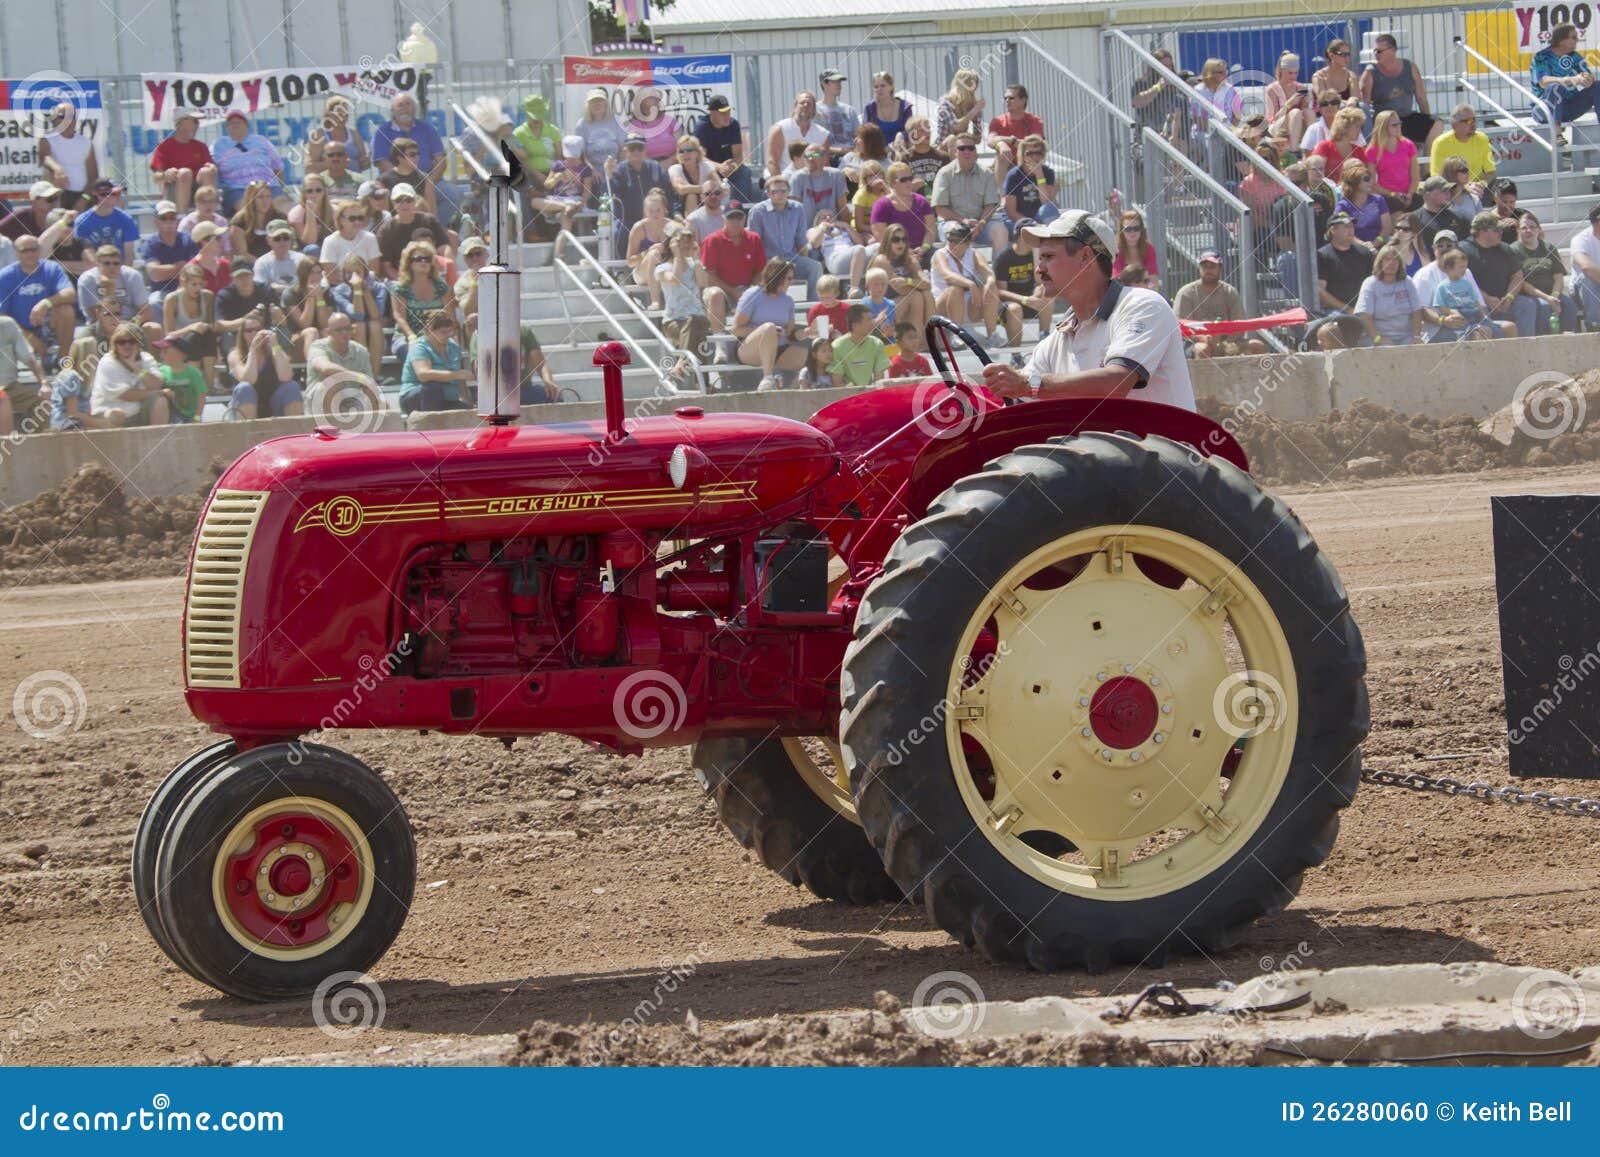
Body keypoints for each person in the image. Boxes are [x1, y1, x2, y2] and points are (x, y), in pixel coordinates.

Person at [981, 212, 1193, 407]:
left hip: (1162, 447)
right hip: (1109, 447)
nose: (1039, 268)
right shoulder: (1058, 339)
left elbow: (1116, 384)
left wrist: (1028, 384)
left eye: (1048, 257)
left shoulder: (1143, 305)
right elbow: (1018, 392)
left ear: (1085, 257)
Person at [372, 94, 460, 226]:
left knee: (454, 193)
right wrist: (403, 178)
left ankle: (437, 228)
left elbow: (441, 160)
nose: (404, 108)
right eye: (400, 105)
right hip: (394, 182)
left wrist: (425, 182)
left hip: (427, 179)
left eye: (408, 104)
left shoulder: (428, 128)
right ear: (392, 110)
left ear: (415, 108)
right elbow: (382, 162)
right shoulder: (382, 131)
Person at [1173, 249, 1266, 357]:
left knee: (1257, 346)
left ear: (1220, 268)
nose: (1208, 270)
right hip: (1195, 343)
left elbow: (1240, 324)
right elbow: (1179, 326)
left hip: (1227, 342)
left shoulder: (1229, 291)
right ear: (1199, 269)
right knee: (1203, 349)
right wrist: (1202, 338)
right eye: (1205, 267)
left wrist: (1224, 342)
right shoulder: (1186, 293)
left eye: (1212, 266)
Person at [733, 258, 808, 391]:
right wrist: (767, 331)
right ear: (776, 276)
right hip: (749, 349)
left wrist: (807, 333)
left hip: (778, 349)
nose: (791, 282)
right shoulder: (753, 294)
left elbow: (790, 334)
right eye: (788, 278)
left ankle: (791, 391)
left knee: (807, 356)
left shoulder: (788, 300)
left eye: (791, 278)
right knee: (769, 328)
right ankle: (768, 380)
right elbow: (736, 330)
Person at [930, 222, 1009, 347]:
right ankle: (956, 335)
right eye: (950, 240)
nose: (951, 244)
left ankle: (992, 335)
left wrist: (989, 282)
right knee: (956, 289)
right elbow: (947, 275)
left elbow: (988, 273)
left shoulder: (974, 254)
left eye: (956, 241)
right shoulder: (940, 254)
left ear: (967, 244)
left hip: (969, 305)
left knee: (991, 288)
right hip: (942, 306)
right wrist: (970, 283)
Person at [0, 234, 76, 359]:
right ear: (16, 253)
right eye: (25, 251)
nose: (30, 254)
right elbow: (2, 316)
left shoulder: (52, 268)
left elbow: (70, 294)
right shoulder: (5, 276)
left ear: (39, 250)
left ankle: (64, 360)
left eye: (33, 249)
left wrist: (45, 303)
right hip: (20, 330)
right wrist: (30, 338)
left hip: (47, 326)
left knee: (66, 310)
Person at [1459, 209, 1532, 337]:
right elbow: (1460, 281)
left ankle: (1526, 348)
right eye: (1497, 230)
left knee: (1527, 305)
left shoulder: (1504, 248)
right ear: (1483, 231)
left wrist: (1509, 297)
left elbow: (1518, 275)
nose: (1501, 233)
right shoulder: (1463, 250)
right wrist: (1486, 298)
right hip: (1478, 304)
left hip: (1504, 301)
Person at [748, 174, 823, 299]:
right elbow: (754, 244)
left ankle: (811, 307)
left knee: (815, 267)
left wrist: (802, 260)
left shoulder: (798, 208)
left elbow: (801, 241)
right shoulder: (758, 211)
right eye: (775, 191)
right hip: (768, 262)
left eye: (783, 191)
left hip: (791, 260)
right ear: (768, 193)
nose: (780, 194)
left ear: (789, 192)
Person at [1360, 33, 1439, 151]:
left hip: (1407, 117)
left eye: (1379, 51)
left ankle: (1426, 167)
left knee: (1436, 124)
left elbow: (1421, 98)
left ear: (1392, 50)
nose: (1376, 54)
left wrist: (1425, 125)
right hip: (1385, 120)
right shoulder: (1370, 73)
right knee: (1393, 126)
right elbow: (1364, 105)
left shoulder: (1410, 67)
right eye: (1375, 51)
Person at [1311, 212, 1375, 349]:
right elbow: (1320, 291)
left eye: (1352, 226)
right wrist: (1348, 309)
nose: (1351, 230)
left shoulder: (1365, 253)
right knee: (1338, 324)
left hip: (1364, 309)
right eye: (1346, 226)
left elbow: (1373, 285)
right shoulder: (1322, 255)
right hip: (1335, 311)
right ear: (1333, 230)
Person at [86, 322, 169, 427]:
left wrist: (138, 369)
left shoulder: (146, 358)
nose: (127, 345)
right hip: (111, 413)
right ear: (115, 344)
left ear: (138, 343)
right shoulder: (107, 362)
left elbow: (156, 385)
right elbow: (125, 395)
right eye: (121, 342)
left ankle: (157, 441)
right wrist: (156, 392)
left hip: (138, 412)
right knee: (117, 415)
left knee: (160, 401)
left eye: (132, 341)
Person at [657, 229, 710, 388]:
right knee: (698, 327)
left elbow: (702, 283)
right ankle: (703, 385)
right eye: (681, 243)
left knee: (698, 324)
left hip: (695, 320)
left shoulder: (695, 265)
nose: (685, 246)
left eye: (688, 242)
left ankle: (682, 364)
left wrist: (696, 258)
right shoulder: (662, 268)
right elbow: (674, 279)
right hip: (673, 322)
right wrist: (678, 255)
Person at [1510, 212, 1577, 335]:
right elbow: (1521, 282)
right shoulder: (1514, 250)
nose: (1528, 230)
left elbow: (1558, 277)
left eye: (1532, 227)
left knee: (1570, 305)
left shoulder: (1549, 247)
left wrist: (1554, 296)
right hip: (1528, 295)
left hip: (1552, 293)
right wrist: (1547, 298)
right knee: (1545, 307)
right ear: (1519, 231)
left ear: (1538, 229)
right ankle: (1545, 343)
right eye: (1524, 228)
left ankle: (1567, 341)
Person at [700, 206, 766, 329]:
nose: (735, 221)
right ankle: (720, 343)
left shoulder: (754, 239)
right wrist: (733, 291)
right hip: (722, 290)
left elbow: (761, 271)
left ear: (744, 218)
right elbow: (708, 276)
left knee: (765, 292)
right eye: (731, 217)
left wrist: (749, 292)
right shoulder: (712, 240)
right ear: (723, 218)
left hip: (747, 289)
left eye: (739, 217)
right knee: (715, 295)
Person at [931, 135, 1003, 248]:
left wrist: (982, 223)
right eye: (962, 148)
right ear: (955, 152)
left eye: (970, 148)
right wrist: (964, 221)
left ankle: (998, 266)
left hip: (980, 225)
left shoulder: (987, 174)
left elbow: (991, 205)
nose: (967, 151)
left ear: (975, 152)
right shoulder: (944, 174)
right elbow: (940, 209)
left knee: (1001, 231)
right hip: (951, 223)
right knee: (958, 231)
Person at [228, 309, 300, 419]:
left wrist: (275, 345)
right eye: (249, 330)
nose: (254, 333)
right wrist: (253, 350)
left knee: (292, 386)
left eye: (257, 330)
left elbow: (286, 377)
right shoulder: (235, 355)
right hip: (244, 404)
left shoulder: (274, 351)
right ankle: (247, 433)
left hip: (272, 402)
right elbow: (249, 379)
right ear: (242, 334)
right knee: (245, 388)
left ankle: (293, 432)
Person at [390, 240, 456, 359]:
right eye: (419, 258)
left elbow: (450, 316)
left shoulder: (441, 286)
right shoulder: (400, 288)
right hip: (407, 337)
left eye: (427, 258)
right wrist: (411, 337)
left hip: (438, 336)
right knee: (418, 354)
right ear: (409, 262)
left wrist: (447, 337)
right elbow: (399, 317)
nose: (424, 261)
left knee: (450, 352)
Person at [304, 311, 380, 415]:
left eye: (348, 328)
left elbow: (369, 382)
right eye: (339, 330)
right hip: (319, 405)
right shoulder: (318, 346)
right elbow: (325, 368)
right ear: (328, 332)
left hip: (350, 401)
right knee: (330, 384)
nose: (344, 332)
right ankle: (332, 429)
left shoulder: (360, 351)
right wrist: (357, 376)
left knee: (380, 400)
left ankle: (373, 430)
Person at [1413, 229, 1481, 341]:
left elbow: (1478, 302)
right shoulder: (1424, 275)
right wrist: (1443, 320)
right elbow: (1420, 309)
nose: (1444, 249)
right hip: (1435, 329)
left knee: (1505, 327)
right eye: (1440, 246)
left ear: (1457, 248)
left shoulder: (1466, 272)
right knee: (1476, 335)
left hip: (1468, 321)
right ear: (1434, 248)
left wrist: (1483, 320)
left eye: (1449, 245)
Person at [213, 111, 285, 213]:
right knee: (246, 208)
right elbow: (214, 167)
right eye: (231, 123)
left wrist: (279, 187)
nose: (235, 125)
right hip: (238, 189)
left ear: (247, 126)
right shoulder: (219, 144)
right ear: (227, 128)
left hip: (268, 186)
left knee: (284, 206)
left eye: (238, 122)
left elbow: (278, 167)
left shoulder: (261, 141)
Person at [1532, 22, 1600, 130]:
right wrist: (1568, 79)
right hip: (1545, 110)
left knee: (1597, 86)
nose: (1577, 40)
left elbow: (1588, 79)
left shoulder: (1575, 57)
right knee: (1556, 87)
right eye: (1573, 37)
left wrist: (1587, 79)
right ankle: (1557, 134)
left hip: (1569, 108)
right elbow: (1543, 82)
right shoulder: (1542, 57)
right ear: (1561, 40)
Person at [868, 222, 934, 333]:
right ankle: (920, 339)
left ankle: (930, 335)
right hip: (880, 309)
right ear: (888, 241)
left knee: (926, 294)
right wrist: (915, 284)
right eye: (896, 239)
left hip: (903, 303)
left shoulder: (910, 259)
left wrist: (907, 280)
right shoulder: (882, 260)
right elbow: (902, 290)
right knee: (917, 295)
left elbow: (927, 283)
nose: (901, 243)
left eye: (904, 239)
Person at [606, 134, 673, 242]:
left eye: (640, 148)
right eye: (632, 148)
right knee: (619, 233)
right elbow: (612, 198)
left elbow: (670, 195)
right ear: (625, 150)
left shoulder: (656, 168)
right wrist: (609, 176)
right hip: (629, 221)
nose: (636, 152)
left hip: (658, 218)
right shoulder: (619, 170)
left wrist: (677, 214)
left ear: (645, 149)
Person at [161, 262, 218, 386]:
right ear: (184, 283)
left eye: (200, 284)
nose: (198, 288)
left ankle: (210, 384)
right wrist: (191, 328)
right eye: (193, 284)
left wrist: (205, 327)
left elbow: (211, 324)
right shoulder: (172, 299)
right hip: (179, 341)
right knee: (194, 335)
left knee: (208, 334)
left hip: (204, 341)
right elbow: (168, 334)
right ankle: (196, 384)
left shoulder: (208, 297)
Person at [1354, 244, 1423, 346]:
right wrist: (1378, 338)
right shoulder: (1370, 283)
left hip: (1406, 336)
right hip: (1377, 337)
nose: (1391, 263)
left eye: (1395, 260)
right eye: (1387, 259)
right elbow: (1364, 315)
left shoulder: (1407, 281)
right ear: (1380, 262)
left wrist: (1416, 337)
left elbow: (1417, 310)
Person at [149, 112, 217, 215]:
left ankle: (209, 212)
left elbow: (210, 167)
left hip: (197, 189)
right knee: (185, 173)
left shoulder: (201, 146)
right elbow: (156, 177)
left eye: (196, 122)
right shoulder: (165, 146)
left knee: (207, 172)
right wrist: (166, 175)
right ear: (180, 124)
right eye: (192, 120)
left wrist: (213, 168)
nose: (196, 124)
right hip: (175, 189)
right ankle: (182, 215)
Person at [375, 184, 449, 279]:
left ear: (414, 202)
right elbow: (387, 267)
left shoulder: (429, 221)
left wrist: (448, 265)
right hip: (400, 279)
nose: (404, 204)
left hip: (432, 275)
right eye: (399, 201)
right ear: (393, 203)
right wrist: (406, 284)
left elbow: (444, 247)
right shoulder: (386, 230)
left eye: (408, 200)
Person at [329, 253, 389, 368]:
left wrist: (365, 290)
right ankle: (362, 374)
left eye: (357, 272)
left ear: (365, 272)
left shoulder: (379, 288)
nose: (352, 276)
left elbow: (376, 316)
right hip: (350, 334)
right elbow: (358, 316)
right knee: (360, 325)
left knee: (375, 325)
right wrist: (357, 289)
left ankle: (373, 376)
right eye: (348, 273)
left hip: (375, 336)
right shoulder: (338, 291)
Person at [78, 245, 153, 336]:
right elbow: (95, 316)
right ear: (98, 264)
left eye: (116, 263)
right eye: (107, 263)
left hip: (129, 323)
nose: (112, 267)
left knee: (153, 327)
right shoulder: (87, 280)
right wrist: (109, 291)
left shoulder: (132, 276)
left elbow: (146, 312)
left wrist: (130, 324)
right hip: (99, 326)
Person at [693, 95, 755, 205]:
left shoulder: (734, 124)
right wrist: (719, 167)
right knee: (700, 173)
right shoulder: (702, 127)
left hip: (730, 168)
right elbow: (700, 156)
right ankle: (705, 209)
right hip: (710, 168)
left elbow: (738, 155)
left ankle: (741, 209)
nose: (727, 115)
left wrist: (732, 167)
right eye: (722, 113)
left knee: (744, 172)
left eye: (728, 111)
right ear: (712, 113)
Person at [38, 103, 99, 209]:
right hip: (59, 196)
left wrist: (84, 199)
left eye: (70, 116)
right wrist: (57, 169)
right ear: (54, 120)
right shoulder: (46, 139)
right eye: (61, 116)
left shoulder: (86, 143)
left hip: (82, 196)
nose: (66, 120)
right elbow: (45, 158)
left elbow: (93, 177)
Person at [140, 200, 198, 309]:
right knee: (154, 302)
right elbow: (155, 274)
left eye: (172, 217)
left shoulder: (188, 239)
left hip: (188, 290)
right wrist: (180, 266)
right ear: (156, 221)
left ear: (177, 220)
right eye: (164, 218)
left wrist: (167, 270)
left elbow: (194, 271)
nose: (169, 221)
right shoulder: (150, 244)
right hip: (162, 292)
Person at [1428, 249, 1497, 341]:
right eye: (1461, 267)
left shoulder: (1467, 283)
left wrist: (1485, 315)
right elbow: (1440, 306)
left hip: (1474, 314)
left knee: (1492, 329)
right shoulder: (1442, 287)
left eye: (1465, 266)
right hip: (1461, 316)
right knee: (1477, 333)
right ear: (1448, 268)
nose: (1464, 270)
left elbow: (1476, 302)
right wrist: (1452, 312)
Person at [0, 313, 50, 434]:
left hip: (10, 387)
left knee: (43, 404)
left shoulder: (7, 325)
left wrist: (44, 383)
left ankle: (38, 447)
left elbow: (28, 358)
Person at [872, 162, 938, 253]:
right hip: (893, 253)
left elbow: (931, 230)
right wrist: (905, 252)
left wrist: (924, 248)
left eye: (910, 179)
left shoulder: (922, 202)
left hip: (922, 252)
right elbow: (880, 235)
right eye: (903, 180)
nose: (909, 183)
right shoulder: (881, 205)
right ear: (892, 184)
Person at [625, 193, 675, 311]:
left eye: (658, 210)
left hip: (666, 269)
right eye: (651, 211)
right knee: (654, 254)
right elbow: (630, 262)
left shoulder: (673, 226)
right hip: (642, 273)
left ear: (665, 210)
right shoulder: (639, 228)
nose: (655, 214)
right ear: (645, 212)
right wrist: (648, 251)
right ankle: (655, 301)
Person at [1131, 47, 1186, 148]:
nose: (1167, 69)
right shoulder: (1141, 83)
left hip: (1173, 138)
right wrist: (1158, 87)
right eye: (1163, 66)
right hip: (1148, 138)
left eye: (1169, 66)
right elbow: (1137, 103)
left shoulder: (1176, 85)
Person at [1001, 135, 1058, 233]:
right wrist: (1032, 224)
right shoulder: (1014, 175)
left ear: (1043, 155)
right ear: (1023, 156)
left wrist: (1039, 175)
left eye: (1038, 153)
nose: (1034, 157)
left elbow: (1046, 202)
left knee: (1050, 209)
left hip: (1039, 217)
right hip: (1016, 219)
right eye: (1029, 153)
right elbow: (1011, 211)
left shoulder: (1048, 172)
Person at [48, 334, 107, 430]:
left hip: (76, 423)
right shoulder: (72, 376)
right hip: (65, 423)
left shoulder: (84, 377)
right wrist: (99, 424)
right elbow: (72, 413)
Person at [73, 180, 139, 263]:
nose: (119, 197)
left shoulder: (126, 219)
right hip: (96, 270)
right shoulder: (83, 221)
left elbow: (129, 255)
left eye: (119, 193)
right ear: (100, 195)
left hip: (120, 268)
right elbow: (87, 253)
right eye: (114, 194)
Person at [1366, 109, 1420, 211]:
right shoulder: (1372, 150)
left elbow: (1415, 177)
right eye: (1394, 124)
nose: (1399, 126)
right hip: (1386, 195)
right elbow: (1372, 183)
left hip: (1408, 194)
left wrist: (1410, 194)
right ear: (1383, 127)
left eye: (1399, 123)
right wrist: (1393, 194)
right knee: (1395, 206)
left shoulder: (1409, 145)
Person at [766, 92, 830, 178]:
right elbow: (772, 162)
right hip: (784, 179)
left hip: (812, 182)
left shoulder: (823, 134)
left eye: (809, 103)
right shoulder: (780, 129)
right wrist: (781, 184)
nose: (805, 105)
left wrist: (810, 155)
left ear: (814, 109)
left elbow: (824, 161)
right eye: (802, 102)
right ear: (795, 107)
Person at [1430, 105, 1496, 187]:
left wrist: (1481, 185)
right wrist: (1463, 188)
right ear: (1455, 124)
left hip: (1477, 190)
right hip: (1451, 191)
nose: (1473, 124)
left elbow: (1491, 171)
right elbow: (1437, 177)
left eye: (1474, 120)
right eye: (1468, 121)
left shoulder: (1482, 139)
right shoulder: (1440, 143)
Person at [809, 210, 869, 297]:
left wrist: (846, 226)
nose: (828, 218)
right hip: (835, 260)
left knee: (878, 247)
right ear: (817, 221)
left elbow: (860, 242)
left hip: (856, 257)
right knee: (858, 249)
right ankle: (854, 289)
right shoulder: (814, 230)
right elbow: (815, 244)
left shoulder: (844, 230)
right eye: (824, 217)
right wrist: (821, 228)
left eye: (831, 216)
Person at [987, 84, 1045, 172]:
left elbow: (1034, 145)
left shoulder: (1034, 121)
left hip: (1028, 165)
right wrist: (1001, 144)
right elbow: (990, 141)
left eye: (1011, 98)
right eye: (1005, 98)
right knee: (1001, 157)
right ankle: (1002, 186)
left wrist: (1011, 141)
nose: (1007, 101)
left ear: (1023, 100)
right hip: (1007, 166)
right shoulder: (997, 121)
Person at [308, 94, 371, 176]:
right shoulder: (319, 135)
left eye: (346, 115)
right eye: (339, 115)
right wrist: (336, 164)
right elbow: (309, 167)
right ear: (329, 115)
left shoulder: (354, 133)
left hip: (352, 184)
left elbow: (364, 166)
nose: (343, 118)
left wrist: (367, 160)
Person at [830, 302, 890, 387]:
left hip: (870, 395)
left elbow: (879, 379)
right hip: (847, 395)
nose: (872, 322)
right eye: (868, 320)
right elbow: (837, 382)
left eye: (872, 319)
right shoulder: (837, 346)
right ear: (855, 325)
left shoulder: (877, 343)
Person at [151, 334, 208, 423]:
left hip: (190, 416)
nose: (161, 355)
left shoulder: (193, 373)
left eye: (165, 351)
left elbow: (201, 396)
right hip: (171, 415)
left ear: (181, 354)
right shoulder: (161, 371)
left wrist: (197, 417)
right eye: (161, 352)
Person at [790, 145, 849, 227]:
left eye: (814, 155)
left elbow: (843, 208)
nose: (810, 159)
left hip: (833, 229)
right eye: (807, 156)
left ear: (824, 158)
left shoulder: (836, 175)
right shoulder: (798, 177)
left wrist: (847, 230)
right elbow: (794, 210)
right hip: (807, 231)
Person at [1333, 163, 1391, 245]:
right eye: (1367, 179)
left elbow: (1387, 227)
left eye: (1371, 178)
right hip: (1354, 246)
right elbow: (1342, 231)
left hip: (1379, 243)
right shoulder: (1343, 206)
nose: (1371, 182)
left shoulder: (1378, 200)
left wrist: (1377, 242)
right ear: (1355, 183)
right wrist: (1363, 245)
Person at [228, 180, 287, 261]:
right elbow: (242, 253)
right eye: (260, 197)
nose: (265, 201)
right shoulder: (239, 221)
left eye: (268, 196)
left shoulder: (279, 217)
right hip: (251, 264)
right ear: (251, 199)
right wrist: (262, 265)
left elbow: (286, 245)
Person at [1263, 54, 1311, 152]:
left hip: (1297, 125)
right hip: (1277, 127)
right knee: (1295, 112)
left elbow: (1305, 112)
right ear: (1281, 70)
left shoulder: (1301, 88)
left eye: (1296, 73)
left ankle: (1313, 147)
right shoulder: (1272, 90)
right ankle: (1294, 150)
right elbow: (1274, 118)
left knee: (1309, 112)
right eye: (1290, 73)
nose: (1293, 76)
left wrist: (1306, 102)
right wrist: (1289, 103)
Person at [319, 200, 382, 275]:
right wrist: (351, 282)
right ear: (341, 220)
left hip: (366, 283)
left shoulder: (370, 238)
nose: (357, 222)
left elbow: (374, 272)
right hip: (339, 285)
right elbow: (331, 276)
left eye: (360, 218)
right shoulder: (330, 241)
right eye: (352, 218)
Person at [934, 69, 986, 153]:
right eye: (970, 86)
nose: (973, 91)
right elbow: (957, 127)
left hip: (962, 146)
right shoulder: (946, 101)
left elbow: (978, 139)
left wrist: (965, 137)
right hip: (942, 149)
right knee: (952, 140)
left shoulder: (973, 104)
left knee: (968, 147)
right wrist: (974, 111)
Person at [1311, 107, 1368, 182]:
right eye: (1357, 127)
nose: (1360, 131)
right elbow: (1315, 172)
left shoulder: (1359, 151)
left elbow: (1365, 178)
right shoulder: (1325, 146)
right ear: (1345, 126)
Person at [668, 136, 720, 216]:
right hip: (682, 209)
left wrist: (696, 189)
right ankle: (691, 226)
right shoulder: (675, 169)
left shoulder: (706, 166)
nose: (685, 154)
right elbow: (681, 189)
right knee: (691, 196)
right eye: (681, 151)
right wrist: (706, 189)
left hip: (707, 203)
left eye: (689, 150)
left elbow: (718, 187)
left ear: (697, 152)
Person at [816, 70, 860, 163]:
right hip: (827, 157)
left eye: (840, 81)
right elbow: (813, 144)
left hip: (852, 156)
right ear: (824, 84)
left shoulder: (849, 110)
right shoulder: (815, 111)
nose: (839, 84)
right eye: (834, 82)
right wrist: (840, 151)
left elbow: (860, 136)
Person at [1413, 174, 1468, 249]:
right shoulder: (1414, 219)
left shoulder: (1459, 217)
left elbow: (1467, 245)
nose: (1448, 193)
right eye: (1444, 190)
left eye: (1449, 190)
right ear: (1427, 195)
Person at [254, 220, 308, 295]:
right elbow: (261, 289)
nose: (282, 242)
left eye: (286, 238)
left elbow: (309, 285)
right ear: (268, 241)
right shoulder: (262, 263)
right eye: (277, 238)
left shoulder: (302, 259)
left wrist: (279, 287)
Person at [1568, 202, 1600, 328]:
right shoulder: (1580, 239)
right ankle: (1595, 325)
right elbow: (1586, 266)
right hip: (1582, 288)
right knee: (1586, 279)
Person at [864, 72, 914, 151]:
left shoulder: (905, 107)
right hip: (878, 152)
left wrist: (902, 134)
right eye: (876, 87)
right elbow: (866, 133)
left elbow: (911, 131)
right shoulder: (869, 108)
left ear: (891, 87)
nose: (879, 89)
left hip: (901, 150)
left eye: (883, 86)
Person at [893, 117, 946, 191]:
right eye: (922, 130)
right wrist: (911, 187)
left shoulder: (943, 157)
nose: (927, 132)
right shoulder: (904, 159)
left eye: (928, 128)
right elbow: (897, 188)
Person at [628, 89, 680, 163]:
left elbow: (681, 145)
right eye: (651, 97)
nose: (656, 100)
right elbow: (635, 150)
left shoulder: (669, 120)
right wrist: (655, 166)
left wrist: (669, 161)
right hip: (646, 166)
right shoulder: (635, 125)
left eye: (656, 98)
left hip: (673, 163)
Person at [1193, 58, 1242, 132]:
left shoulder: (1230, 90)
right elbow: (1195, 115)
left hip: (1227, 133)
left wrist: (1231, 130)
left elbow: (1237, 114)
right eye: (1220, 72)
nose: (1225, 74)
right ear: (1209, 73)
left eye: (1225, 71)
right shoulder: (1199, 90)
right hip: (1203, 133)